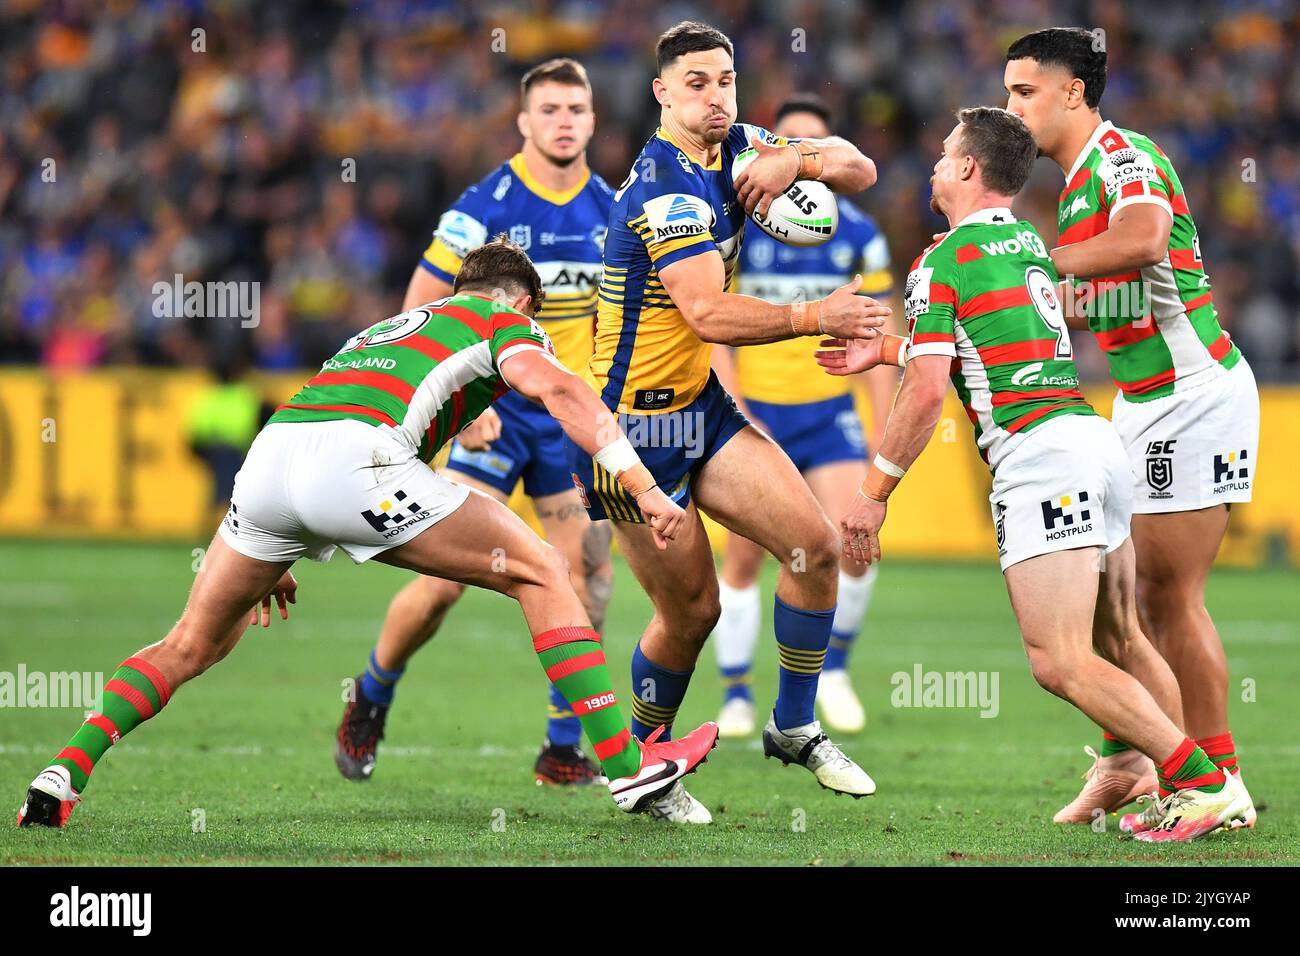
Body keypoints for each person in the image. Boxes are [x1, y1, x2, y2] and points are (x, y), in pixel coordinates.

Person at [17, 238, 718, 829]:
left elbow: (326, 430)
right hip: (357, 463)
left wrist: (279, 542)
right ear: (522, 302)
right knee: (540, 568)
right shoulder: (506, 322)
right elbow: (563, 393)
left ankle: (63, 772)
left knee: (189, 643)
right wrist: (645, 488)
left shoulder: (388, 327)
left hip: (272, 464)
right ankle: (627, 768)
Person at [822, 107, 1249, 843]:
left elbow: (930, 393)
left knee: (1060, 660)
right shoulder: (1028, 245)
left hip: (1039, 457)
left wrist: (872, 495)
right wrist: (892, 350)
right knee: (1124, 639)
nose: (932, 165)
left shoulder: (942, 262)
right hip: (1094, 441)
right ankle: (1162, 774)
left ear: (965, 169)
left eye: (943, 153)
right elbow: (987, 350)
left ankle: (1200, 781)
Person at [572, 21, 887, 824]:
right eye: (698, 84)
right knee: (692, 613)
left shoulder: (744, 144)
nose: (716, 97)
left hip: (701, 413)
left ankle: (793, 724)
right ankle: (646, 766)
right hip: (629, 435)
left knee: (815, 548)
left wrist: (796, 157)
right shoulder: (662, 184)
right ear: (662, 93)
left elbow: (862, 167)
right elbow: (708, 311)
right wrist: (820, 313)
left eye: (726, 80)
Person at [334, 58, 617, 788]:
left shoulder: (613, 209)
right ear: (524, 122)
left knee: (585, 574)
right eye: (549, 109)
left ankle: (562, 749)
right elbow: (417, 311)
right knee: (444, 584)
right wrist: (455, 416)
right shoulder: (480, 206)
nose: (563, 121)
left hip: (563, 417)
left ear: (591, 120)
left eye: (576, 109)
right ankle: (371, 693)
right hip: (488, 415)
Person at [1004, 27, 1259, 830]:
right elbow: (1113, 301)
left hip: (1195, 394)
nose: (1013, 110)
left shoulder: (1122, 159)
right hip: (1143, 403)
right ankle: (1136, 763)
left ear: (1072, 92)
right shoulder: (1077, 183)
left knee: (1167, 598)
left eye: (1024, 92)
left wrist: (1036, 262)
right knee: (1126, 599)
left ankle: (1220, 781)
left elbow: (1145, 238)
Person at [708, 93, 898, 737]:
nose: (793, 155)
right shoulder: (734, 223)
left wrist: (882, 429)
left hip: (827, 411)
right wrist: (732, 406)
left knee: (855, 544)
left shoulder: (860, 233)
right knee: (744, 559)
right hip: (756, 412)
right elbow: (714, 327)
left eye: (808, 145)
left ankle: (835, 672)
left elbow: (881, 328)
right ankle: (736, 693)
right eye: (785, 141)